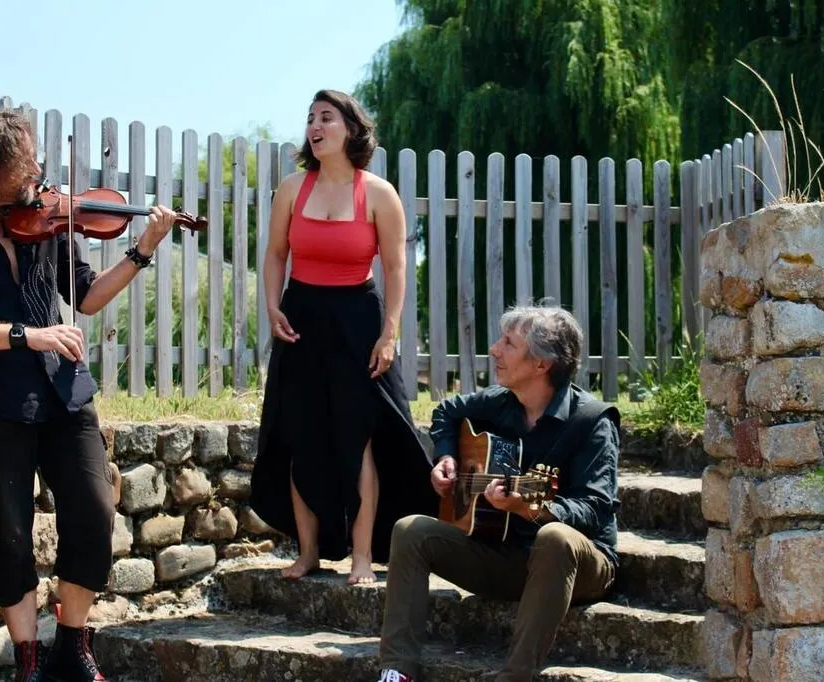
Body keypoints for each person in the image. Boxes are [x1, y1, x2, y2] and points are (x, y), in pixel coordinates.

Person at [0, 108, 179, 682]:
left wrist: (142, 249)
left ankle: (73, 648)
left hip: (64, 392)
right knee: (9, 529)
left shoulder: (45, 220)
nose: (37, 168)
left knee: (94, 507)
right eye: (23, 161)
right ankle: (29, 660)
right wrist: (25, 335)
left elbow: (85, 296)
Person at [250, 89, 437, 586]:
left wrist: (389, 333)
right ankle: (308, 551)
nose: (315, 126)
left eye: (326, 117)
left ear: (351, 129)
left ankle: (360, 557)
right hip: (300, 316)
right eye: (310, 118)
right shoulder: (292, 188)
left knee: (361, 441)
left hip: (359, 319)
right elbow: (274, 256)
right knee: (298, 434)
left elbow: (396, 269)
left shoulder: (378, 193)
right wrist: (272, 308)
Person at [375, 305, 621, 682]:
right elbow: (447, 411)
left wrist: (531, 510)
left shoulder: (592, 423)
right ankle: (396, 671)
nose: (494, 350)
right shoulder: (501, 402)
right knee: (411, 529)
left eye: (508, 343)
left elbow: (595, 509)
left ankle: (516, 676)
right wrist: (446, 456)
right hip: (508, 557)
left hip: (577, 565)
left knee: (554, 537)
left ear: (541, 364)